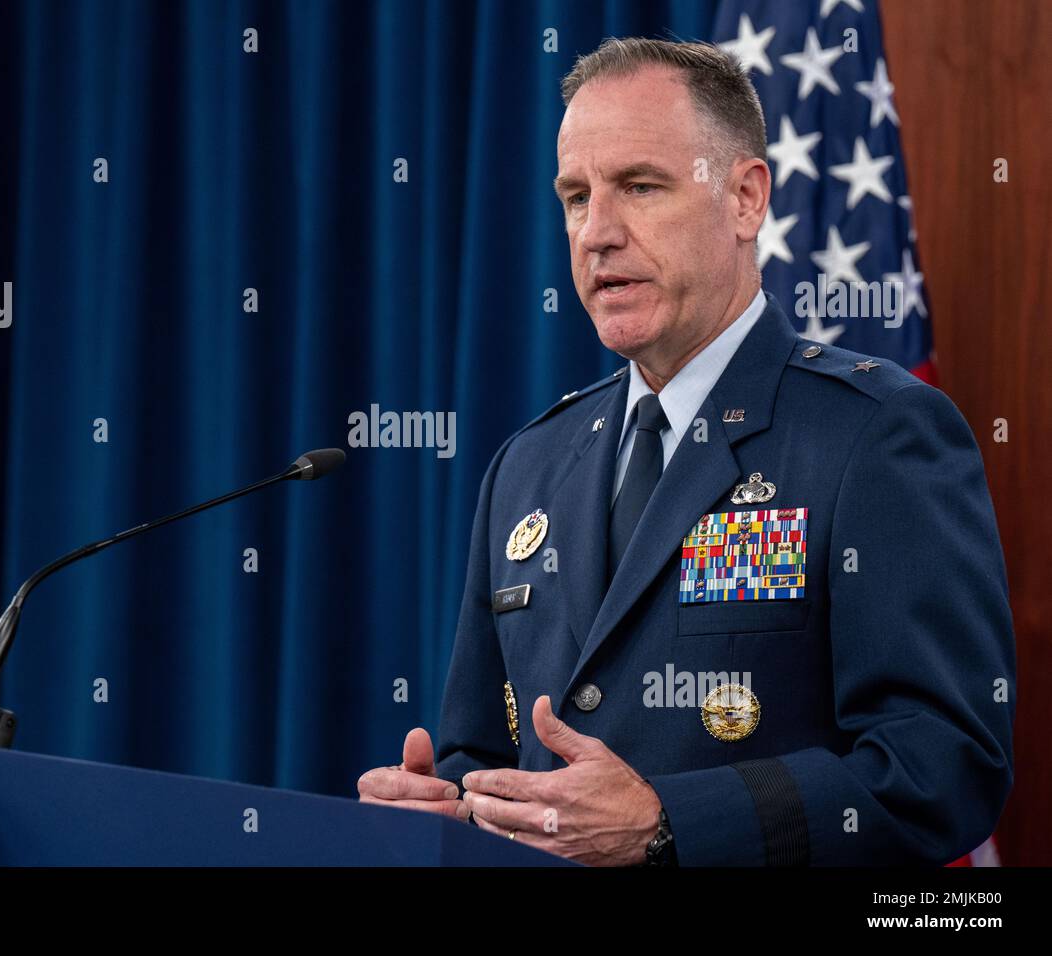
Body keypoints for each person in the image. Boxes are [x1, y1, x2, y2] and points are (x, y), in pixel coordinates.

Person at [357, 37, 1015, 866]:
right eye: (574, 196)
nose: (596, 233)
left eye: (639, 186)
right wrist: (448, 812)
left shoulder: (876, 434)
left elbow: (945, 768)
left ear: (744, 200)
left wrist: (669, 821)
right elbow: (484, 760)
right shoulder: (528, 465)